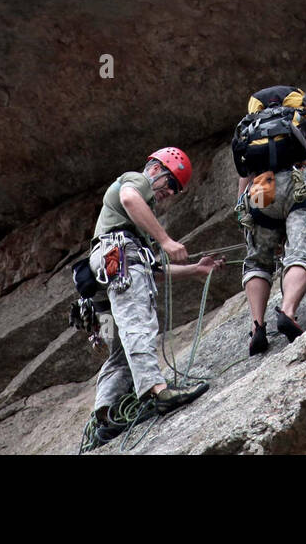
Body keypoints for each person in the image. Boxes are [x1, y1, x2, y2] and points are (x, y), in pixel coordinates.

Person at [86, 147, 222, 443]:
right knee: (138, 322)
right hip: (117, 256)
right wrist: (166, 240)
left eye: (176, 190)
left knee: (122, 349)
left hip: (111, 263)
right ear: (158, 169)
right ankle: (156, 392)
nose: (171, 193)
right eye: (171, 184)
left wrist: (196, 270)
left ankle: (106, 416)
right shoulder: (137, 181)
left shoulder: (134, 227)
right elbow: (129, 198)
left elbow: (150, 269)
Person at [231, 87, 306, 355]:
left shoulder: (254, 140)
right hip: (304, 185)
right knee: (301, 253)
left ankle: (257, 326)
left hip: (261, 189)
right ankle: (287, 312)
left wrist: (249, 219)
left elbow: (242, 194)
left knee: (258, 261)